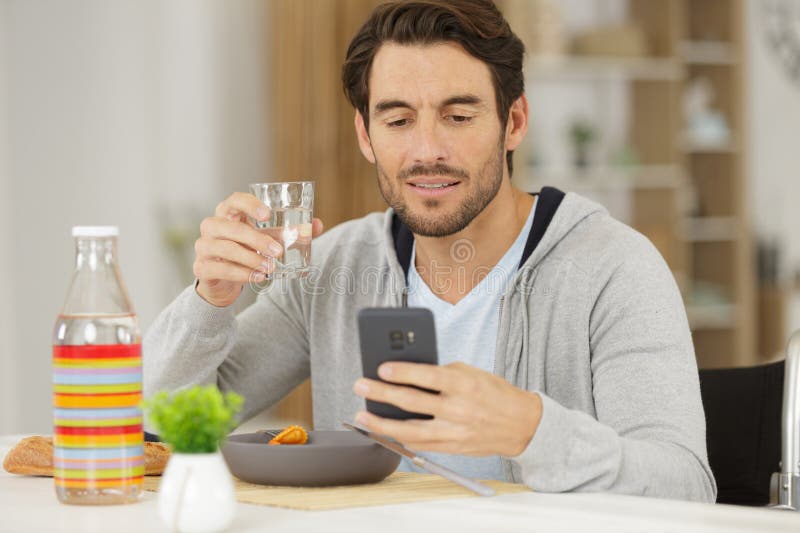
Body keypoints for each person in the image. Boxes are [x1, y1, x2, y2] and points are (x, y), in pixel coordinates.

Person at [144, 0, 716, 501]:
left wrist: (532, 430)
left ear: (513, 121)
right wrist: (209, 301)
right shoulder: (335, 269)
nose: (427, 150)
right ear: (366, 136)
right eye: (397, 119)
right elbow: (162, 427)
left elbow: (685, 486)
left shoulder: (614, 268)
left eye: (458, 115)